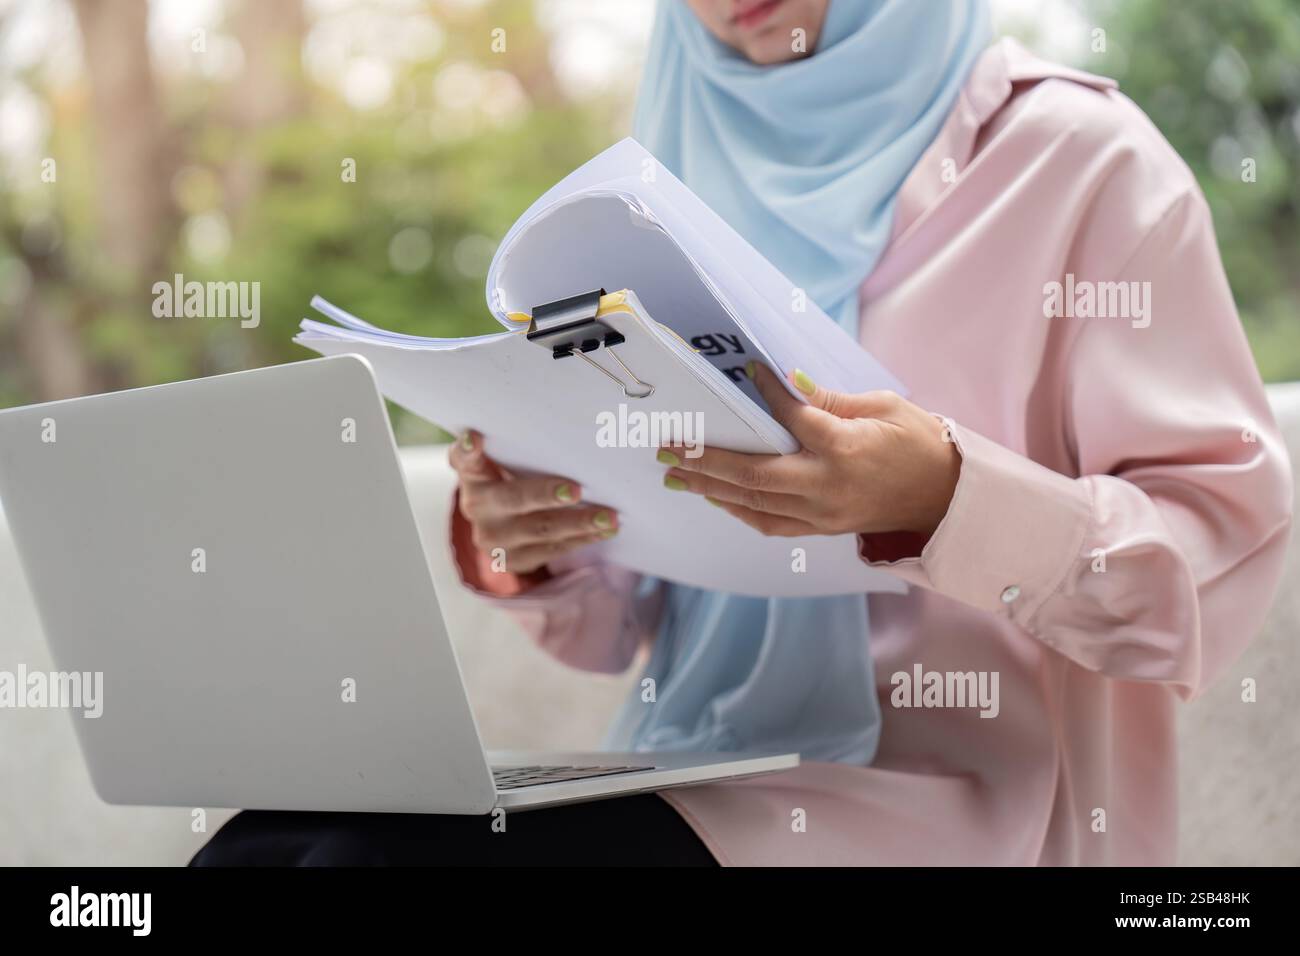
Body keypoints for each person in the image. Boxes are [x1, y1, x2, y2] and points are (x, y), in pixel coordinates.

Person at [195, 0, 1291, 866]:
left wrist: (946, 499)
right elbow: (625, 630)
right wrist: (542, 538)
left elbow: (1214, 560)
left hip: (950, 808)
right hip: (688, 764)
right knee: (272, 840)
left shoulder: (1084, 164)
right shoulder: (657, 184)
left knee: (366, 861)